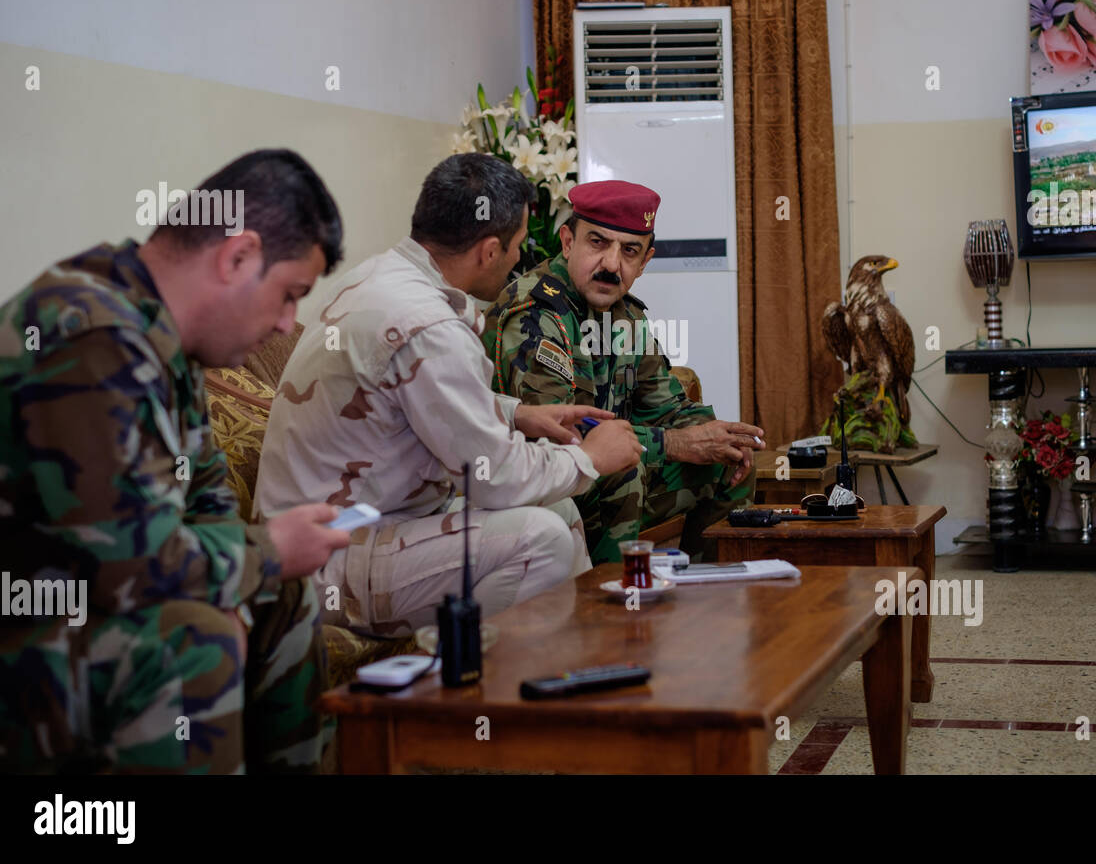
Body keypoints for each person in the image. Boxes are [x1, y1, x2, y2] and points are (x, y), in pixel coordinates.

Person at [0, 149, 352, 773]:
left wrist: (249, 578)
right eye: (289, 295)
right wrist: (264, 556)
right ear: (237, 256)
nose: (291, 324)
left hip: (75, 601)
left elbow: (206, 505)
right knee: (191, 641)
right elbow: (133, 565)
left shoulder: (167, 347)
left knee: (283, 597)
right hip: (12, 623)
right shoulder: (90, 337)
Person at [254, 154, 642, 637]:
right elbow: (495, 477)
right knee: (540, 539)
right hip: (324, 557)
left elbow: (404, 401)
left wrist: (516, 413)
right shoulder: (427, 324)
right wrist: (590, 459)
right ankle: (458, 686)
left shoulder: (384, 276)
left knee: (558, 512)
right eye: (519, 245)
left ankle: (575, 658)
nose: (522, 258)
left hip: (368, 522)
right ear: (489, 250)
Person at [482, 179, 763, 564]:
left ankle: (706, 601)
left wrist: (715, 434)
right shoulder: (535, 314)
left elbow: (665, 407)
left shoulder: (625, 315)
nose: (612, 265)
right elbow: (557, 437)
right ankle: (610, 613)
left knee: (730, 460)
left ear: (645, 262)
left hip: (595, 483)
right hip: (529, 487)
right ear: (568, 242)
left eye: (629, 251)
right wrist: (675, 443)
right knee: (621, 473)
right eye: (597, 243)